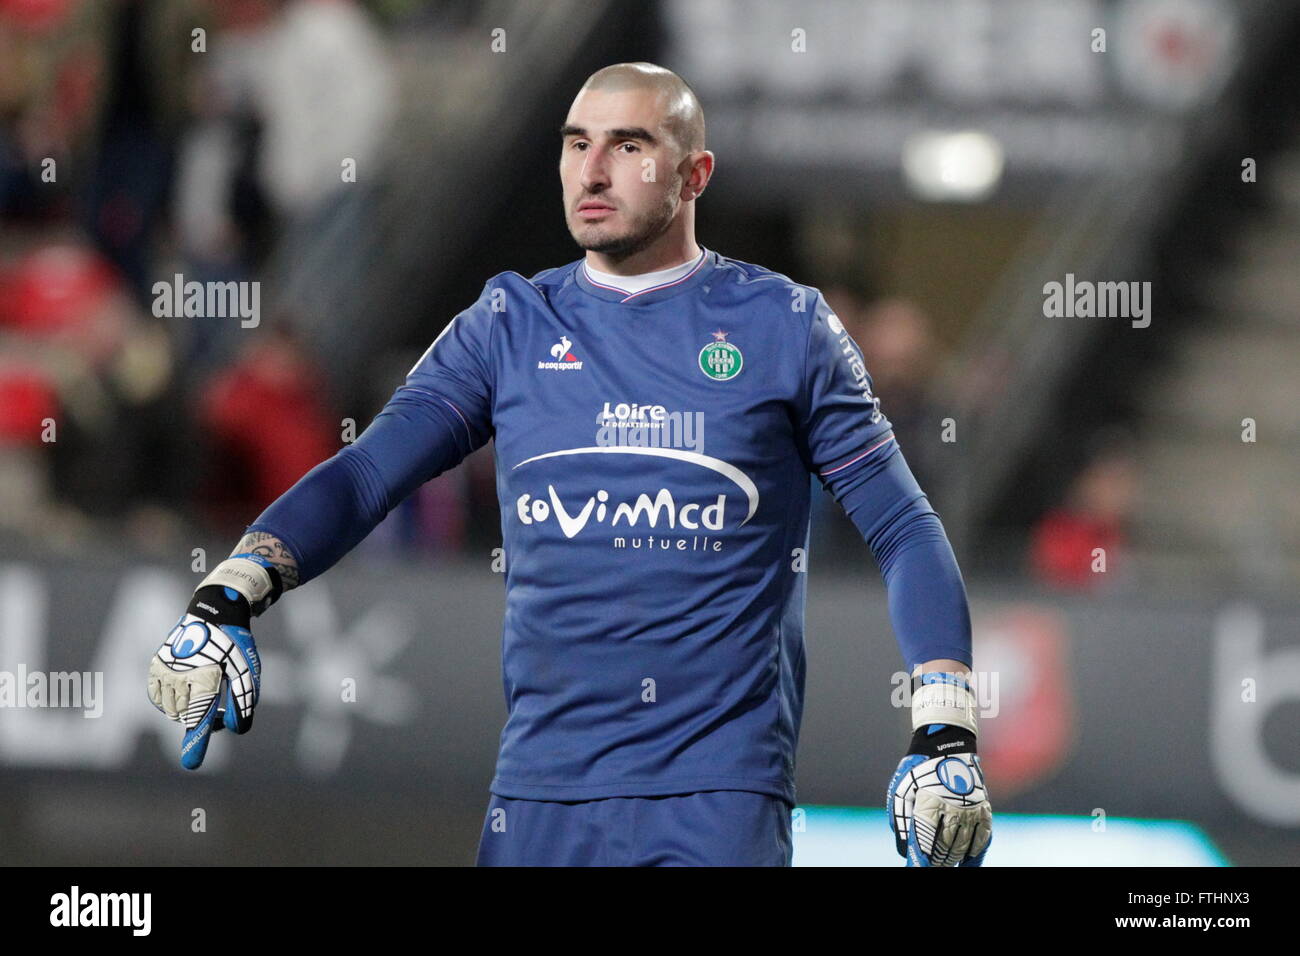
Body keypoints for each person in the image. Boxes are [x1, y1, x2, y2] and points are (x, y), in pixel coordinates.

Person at [147, 62, 992, 867]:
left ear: (694, 174)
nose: (592, 170)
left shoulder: (786, 326)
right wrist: (228, 593)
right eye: (574, 142)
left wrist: (944, 724)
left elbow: (902, 524)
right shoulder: (506, 324)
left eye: (628, 146)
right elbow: (367, 474)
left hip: (717, 803)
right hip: (538, 800)